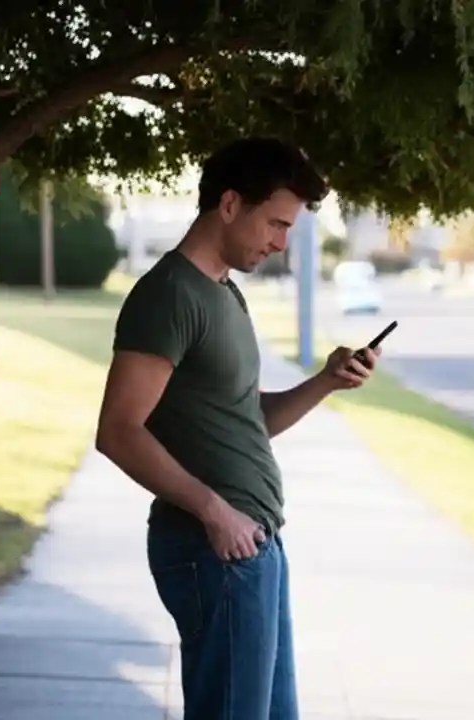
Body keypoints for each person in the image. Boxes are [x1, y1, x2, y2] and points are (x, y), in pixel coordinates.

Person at [95, 137, 379, 720]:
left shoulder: (226, 294)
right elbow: (118, 431)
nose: (279, 243)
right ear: (229, 204)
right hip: (212, 548)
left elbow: (247, 418)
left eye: (288, 230)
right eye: (274, 224)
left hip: (253, 546)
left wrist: (327, 380)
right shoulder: (170, 296)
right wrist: (214, 511)